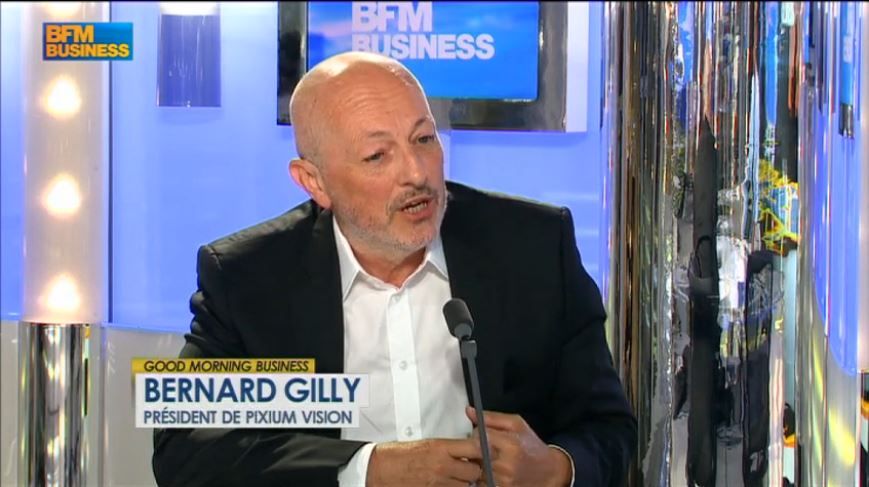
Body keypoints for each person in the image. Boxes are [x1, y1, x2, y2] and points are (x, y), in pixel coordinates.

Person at [152, 52, 636, 487]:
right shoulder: (250, 278)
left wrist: (555, 469)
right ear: (314, 182)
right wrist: (368, 469)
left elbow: (608, 428)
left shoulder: (532, 248)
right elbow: (185, 447)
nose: (417, 173)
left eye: (424, 138)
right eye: (377, 155)